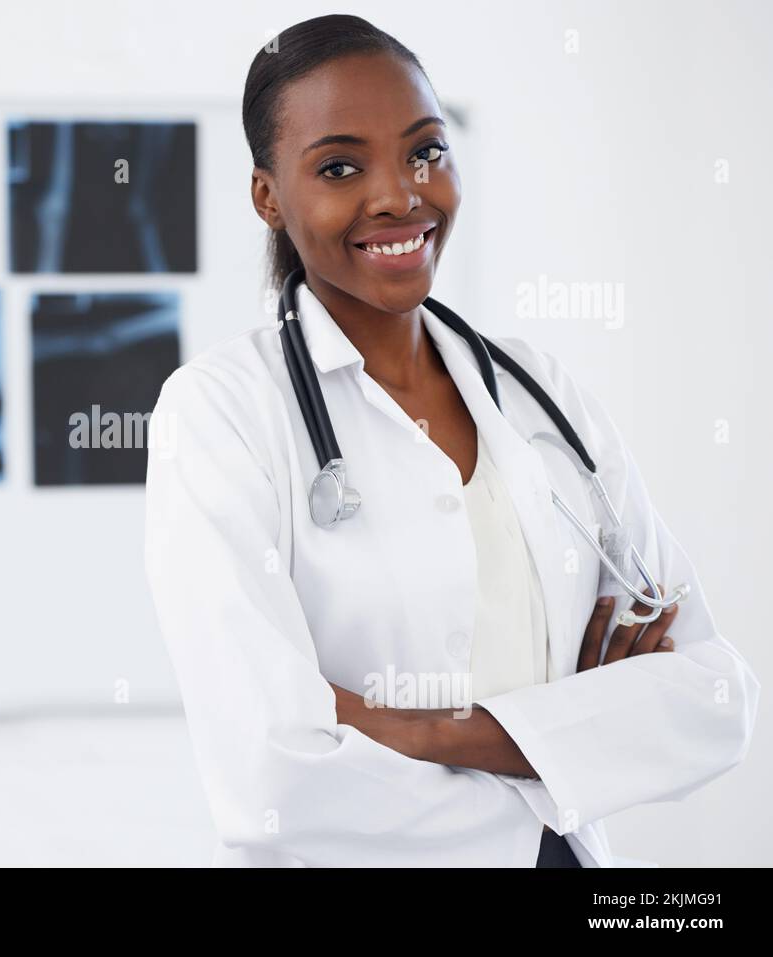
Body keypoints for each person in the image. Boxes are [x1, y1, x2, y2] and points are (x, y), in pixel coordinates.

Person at [142, 14, 759, 867]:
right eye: (340, 166)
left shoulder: (541, 393)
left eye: (424, 150)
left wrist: (417, 726)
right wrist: (571, 733)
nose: (399, 193)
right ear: (268, 196)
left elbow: (713, 698)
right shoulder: (221, 413)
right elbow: (270, 779)